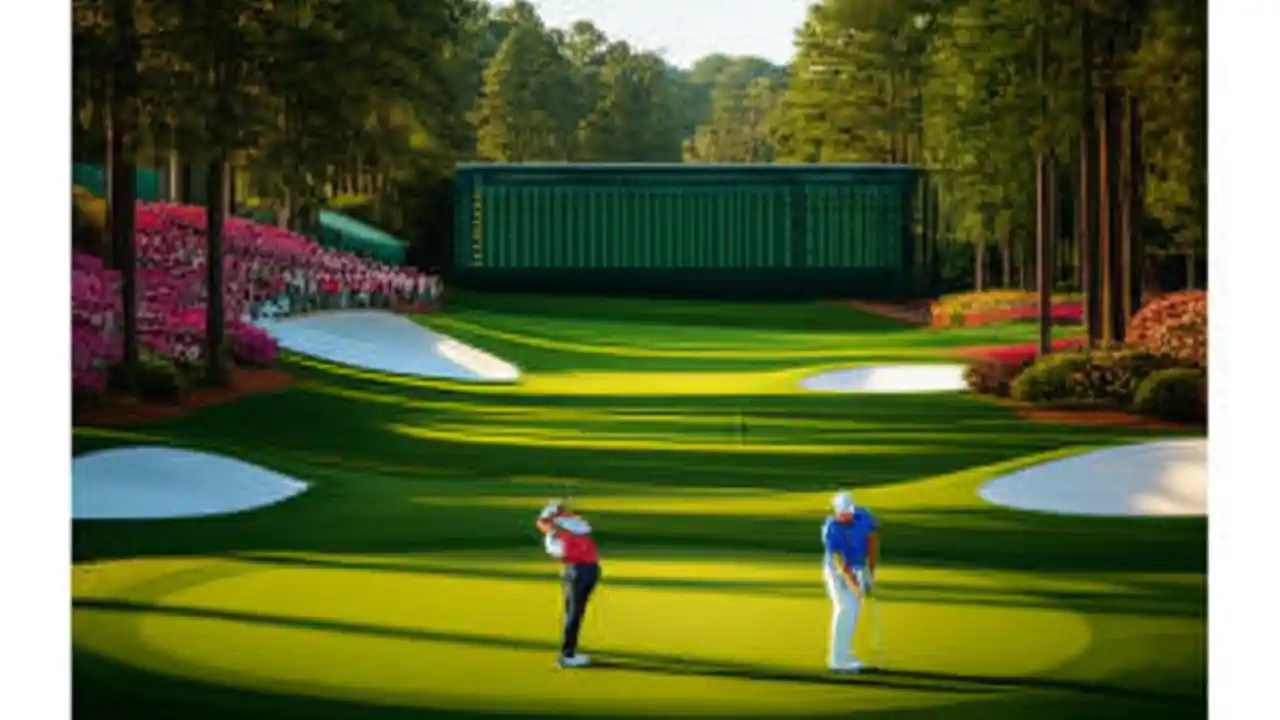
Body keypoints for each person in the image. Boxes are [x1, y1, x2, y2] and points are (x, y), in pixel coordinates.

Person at [536, 500, 601, 669]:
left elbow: (583, 525)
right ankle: (567, 655)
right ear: (554, 517)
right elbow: (558, 550)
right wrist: (552, 525)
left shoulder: (572, 525)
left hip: (587, 570)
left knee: (575, 612)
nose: (567, 511)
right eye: (561, 511)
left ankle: (569, 652)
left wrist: (556, 515)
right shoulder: (558, 532)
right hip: (577, 571)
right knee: (574, 612)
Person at [822, 490, 880, 672]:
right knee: (844, 607)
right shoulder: (831, 528)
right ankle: (837, 661)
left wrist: (870, 573)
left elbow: (872, 543)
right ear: (836, 512)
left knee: (853, 610)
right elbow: (839, 562)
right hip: (836, 571)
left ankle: (844, 654)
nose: (848, 516)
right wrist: (855, 586)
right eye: (844, 513)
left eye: (850, 511)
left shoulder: (863, 517)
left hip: (857, 566)